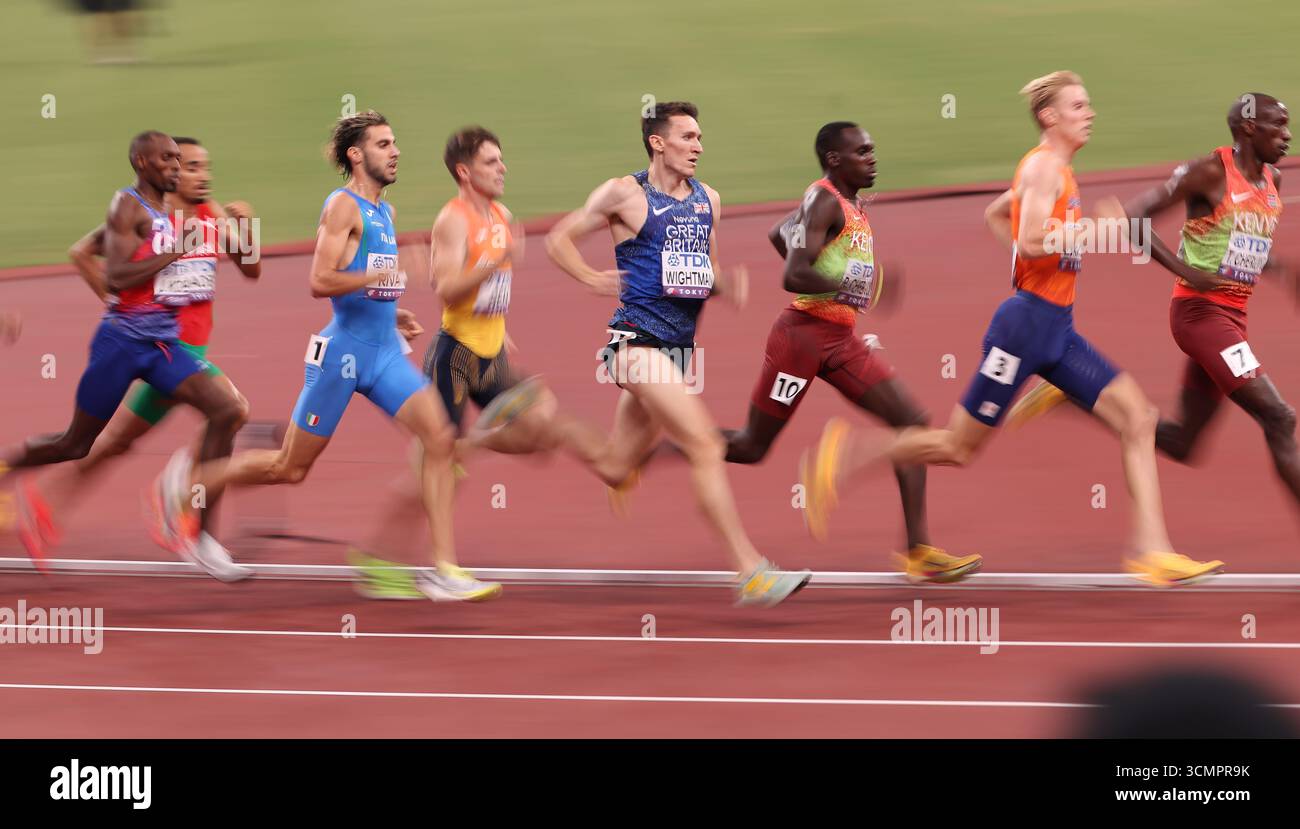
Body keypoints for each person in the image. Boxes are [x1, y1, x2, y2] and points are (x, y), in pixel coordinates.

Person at [801, 72, 1223, 586]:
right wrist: (1094, 230)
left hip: (1055, 329)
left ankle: (1152, 552)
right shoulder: (1045, 167)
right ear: (1050, 117)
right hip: (1024, 330)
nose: (1089, 114)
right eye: (1078, 105)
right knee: (957, 448)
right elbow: (1030, 239)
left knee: (1137, 418)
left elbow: (997, 213)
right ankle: (849, 454)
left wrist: (1035, 266)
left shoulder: (1051, 169)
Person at [164, 111, 500, 601]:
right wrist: (376, 281)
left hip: (384, 352)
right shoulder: (342, 207)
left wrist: (394, 310)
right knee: (289, 468)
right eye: (384, 144)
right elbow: (320, 281)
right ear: (356, 154)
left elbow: (364, 284)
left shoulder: (384, 211)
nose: (396, 151)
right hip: (341, 357)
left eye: (395, 143)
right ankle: (188, 481)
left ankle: (444, 570)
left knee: (441, 441)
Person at [546, 101, 811, 606]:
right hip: (633, 344)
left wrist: (722, 285)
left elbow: (700, 271)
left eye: (700, 138)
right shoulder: (623, 193)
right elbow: (559, 239)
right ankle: (750, 571)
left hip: (677, 354)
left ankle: (545, 425)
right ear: (658, 142)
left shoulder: (709, 199)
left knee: (616, 466)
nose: (698, 146)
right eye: (688, 137)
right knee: (705, 445)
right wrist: (591, 277)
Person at [1010, 95, 1300, 514]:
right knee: (1280, 418)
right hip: (1201, 316)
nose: (1288, 136)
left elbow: (1238, 245)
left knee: (1184, 443)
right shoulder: (1208, 173)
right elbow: (1134, 217)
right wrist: (1186, 270)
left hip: (1232, 320)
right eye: (1279, 126)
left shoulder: (1274, 180)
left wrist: (1281, 270)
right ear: (1249, 129)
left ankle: (1072, 395)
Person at [723, 121, 981, 583]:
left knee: (912, 422)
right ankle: (676, 438)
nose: (873, 158)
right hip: (800, 339)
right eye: (862, 152)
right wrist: (862, 284)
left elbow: (780, 233)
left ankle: (918, 552)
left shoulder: (843, 203)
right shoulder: (823, 198)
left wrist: (845, 278)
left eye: (873, 150)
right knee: (750, 446)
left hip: (839, 339)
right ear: (834, 160)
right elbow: (793, 274)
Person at [1, 131, 245, 575]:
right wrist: (174, 253)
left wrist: (231, 232)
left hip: (163, 346)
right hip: (121, 345)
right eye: (169, 160)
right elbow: (116, 276)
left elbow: (244, 262)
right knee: (76, 444)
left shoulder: (185, 212)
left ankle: (204, 538)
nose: (176, 167)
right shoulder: (127, 205)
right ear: (141, 162)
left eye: (180, 160)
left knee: (227, 410)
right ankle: (6, 467)